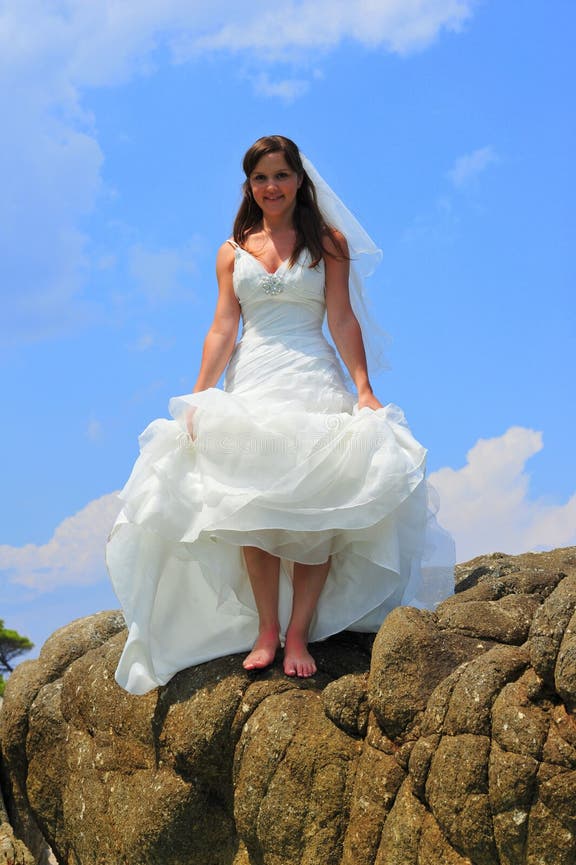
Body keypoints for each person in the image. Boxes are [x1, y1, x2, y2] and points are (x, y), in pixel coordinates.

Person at [106, 135, 453, 695]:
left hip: (313, 376)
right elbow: (223, 327)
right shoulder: (231, 250)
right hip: (254, 379)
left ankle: (299, 633)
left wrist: (364, 389)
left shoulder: (328, 244)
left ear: (299, 181)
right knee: (251, 506)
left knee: (318, 504)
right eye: (261, 178)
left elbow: (341, 319)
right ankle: (266, 629)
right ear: (250, 186)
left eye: (282, 176)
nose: (272, 187)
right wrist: (199, 393)